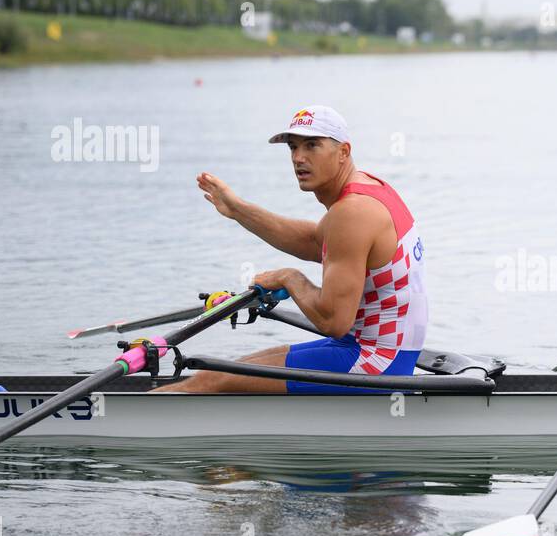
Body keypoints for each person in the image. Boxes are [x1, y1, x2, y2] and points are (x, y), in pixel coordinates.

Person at [154, 105, 428, 393]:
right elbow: (314, 242)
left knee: (213, 381)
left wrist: (290, 278)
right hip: (371, 349)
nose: (299, 157)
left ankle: (122, 423)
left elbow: (333, 320)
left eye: (312, 146)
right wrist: (238, 210)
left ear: (344, 152)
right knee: (228, 367)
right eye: (293, 147)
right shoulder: (371, 188)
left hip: (375, 363)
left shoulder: (353, 212)